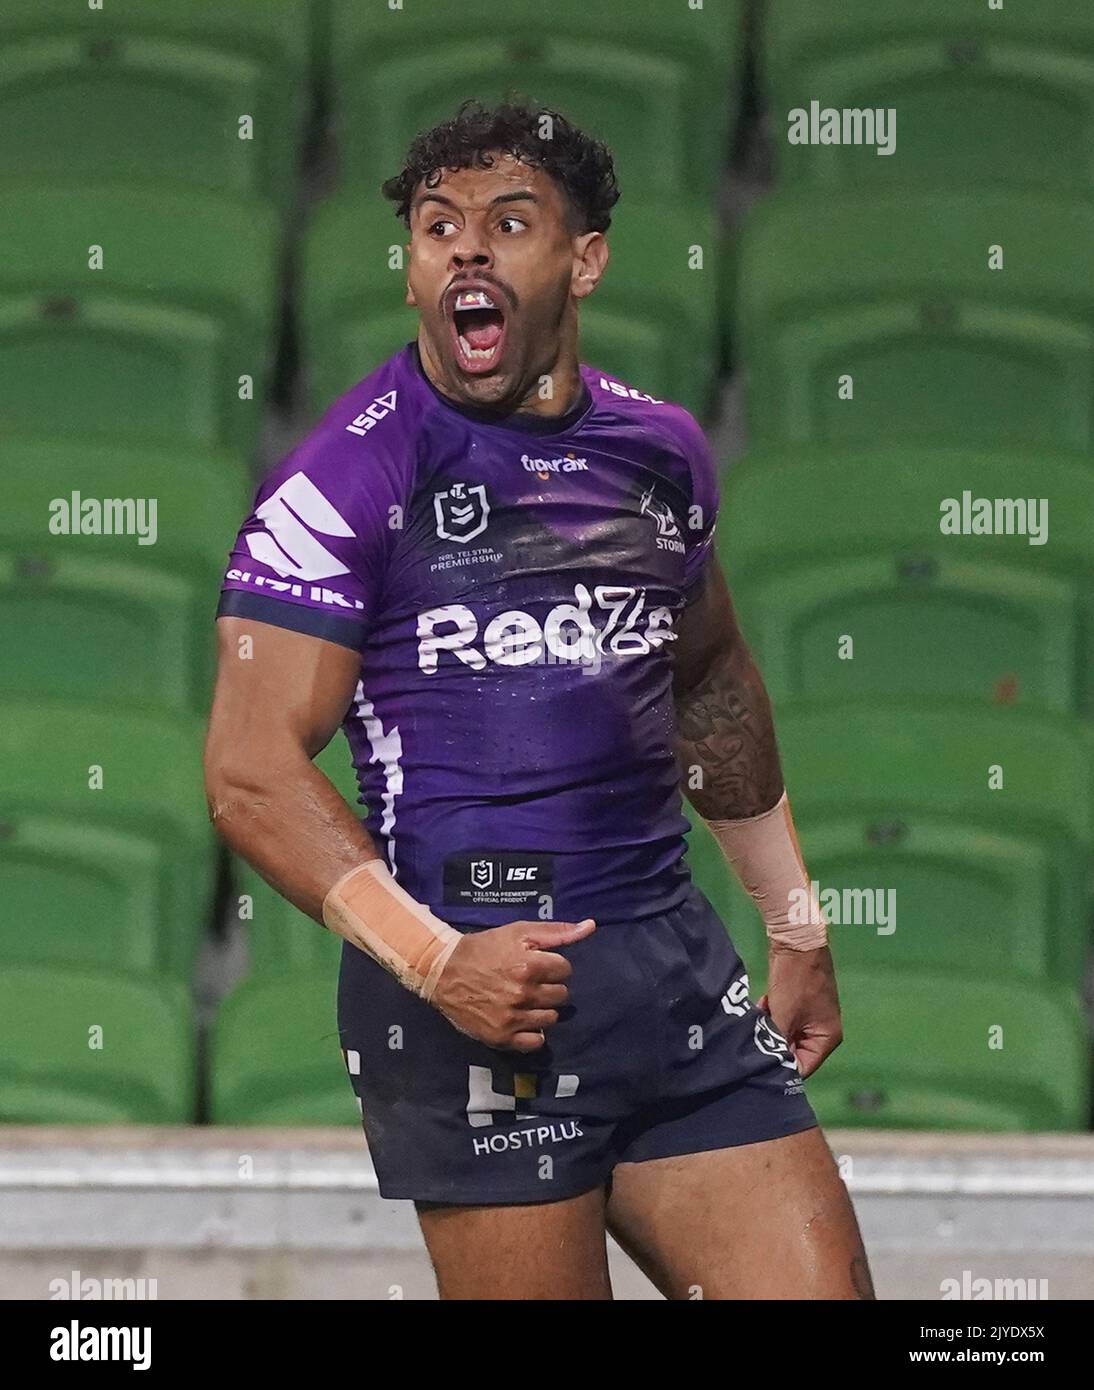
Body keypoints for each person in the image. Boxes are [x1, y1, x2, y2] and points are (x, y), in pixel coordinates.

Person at [204, 99, 874, 1301]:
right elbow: (249, 770)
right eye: (435, 226)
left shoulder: (657, 453)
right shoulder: (348, 476)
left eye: (509, 223)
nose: (465, 250)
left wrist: (794, 927)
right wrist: (434, 959)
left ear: (583, 258)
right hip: (478, 998)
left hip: (669, 974)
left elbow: (709, 681)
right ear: (410, 271)